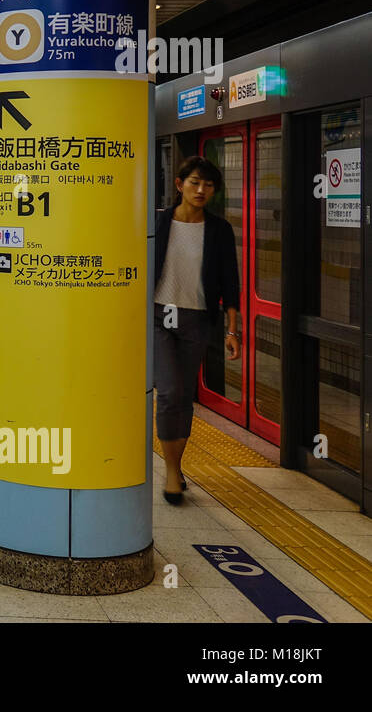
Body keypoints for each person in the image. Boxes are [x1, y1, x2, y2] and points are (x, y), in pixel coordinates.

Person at [153, 156, 240, 504]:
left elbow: (230, 281)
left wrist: (232, 330)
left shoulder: (219, 230)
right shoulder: (159, 224)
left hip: (196, 319)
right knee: (170, 391)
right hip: (159, 316)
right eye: (194, 182)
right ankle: (172, 472)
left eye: (208, 185)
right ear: (179, 185)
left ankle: (175, 467)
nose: (201, 190)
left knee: (184, 395)